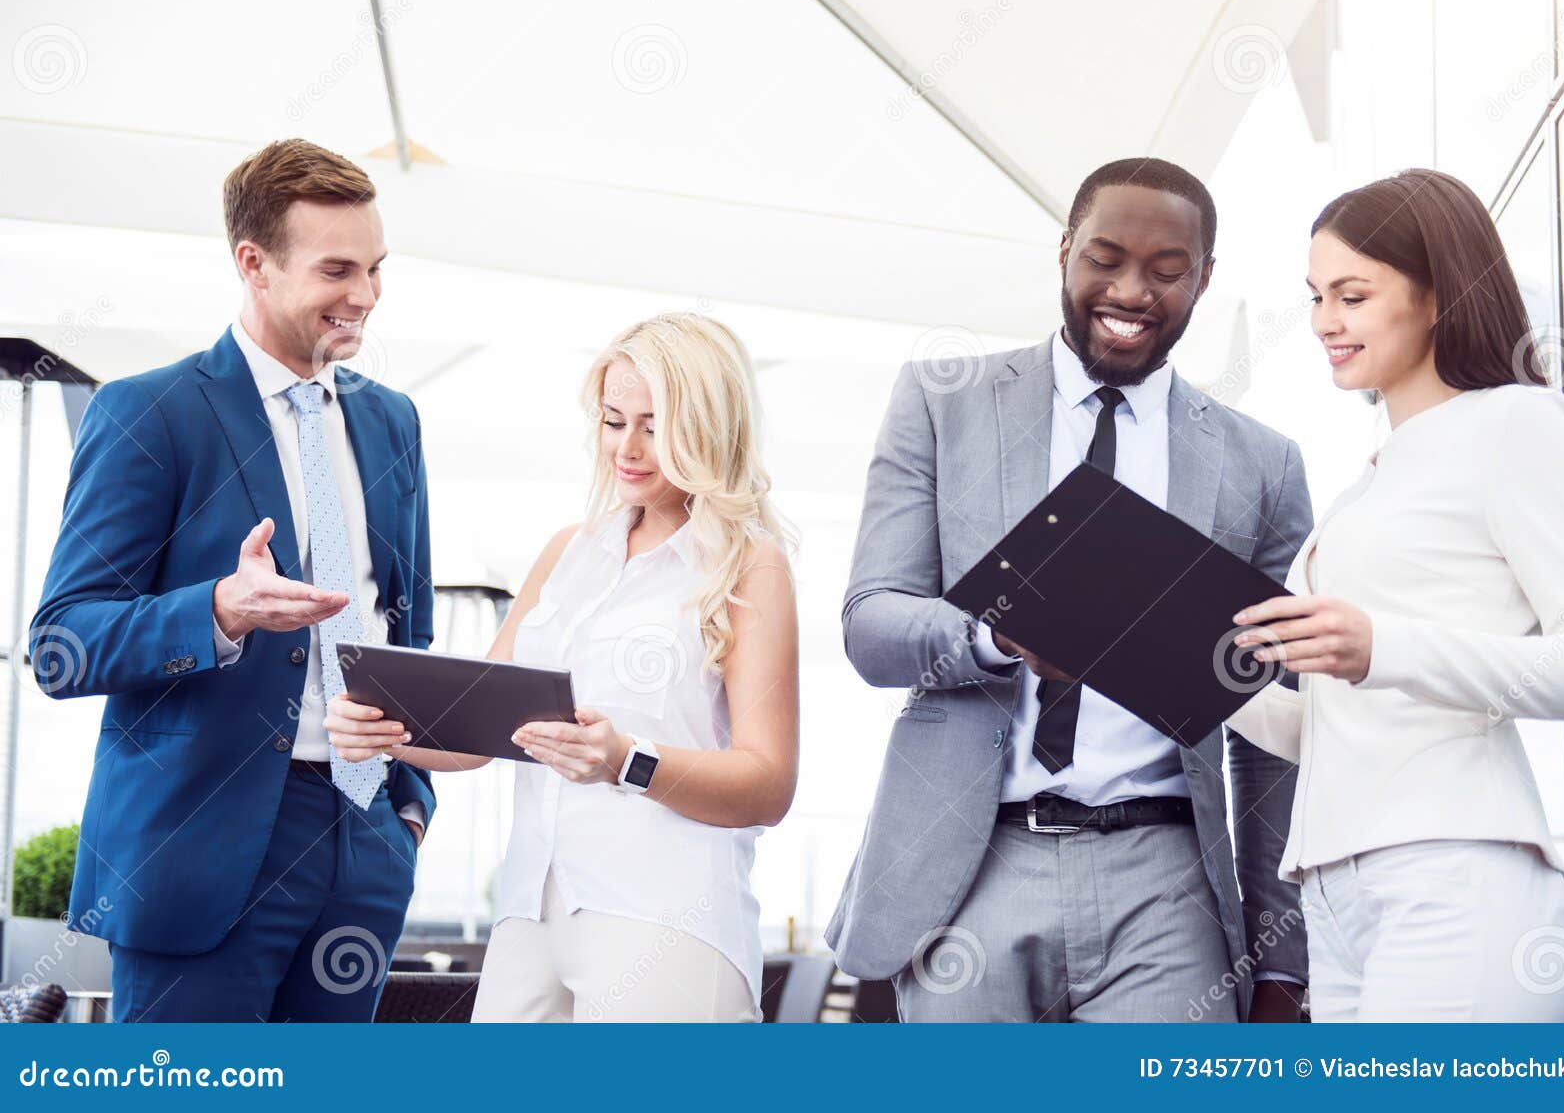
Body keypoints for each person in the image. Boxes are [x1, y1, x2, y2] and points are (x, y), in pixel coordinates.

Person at [828, 158, 1310, 1022]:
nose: (1130, 292)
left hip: (1167, 883)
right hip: (972, 866)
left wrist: (1283, 961)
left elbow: (1272, 727)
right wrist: (994, 637)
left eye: (1167, 271)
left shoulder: (1262, 464)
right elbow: (871, 626)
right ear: (1064, 252)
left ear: (1204, 279)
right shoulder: (944, 404)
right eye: (1105, 259)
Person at [29, 139, 436, 1021]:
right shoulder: (150, 411)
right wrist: (218, 610)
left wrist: (407, 811)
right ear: (254, 263)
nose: (366, 295)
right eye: (337, 270)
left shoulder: (393, 423)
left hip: (364, 838)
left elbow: (410, 633)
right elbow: (61, 644)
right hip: (201, 848)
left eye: (375, 268)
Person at [326, 313, 799, 1022]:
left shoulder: (748, 564)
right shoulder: (569, 552)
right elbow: (475, 729)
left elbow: (768, 784)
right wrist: (383, 728)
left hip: (665, 916)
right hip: (531, 910)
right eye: (614, 421)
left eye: (654, 427)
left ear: (707, 429)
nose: (627, 448)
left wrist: (625, 760)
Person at [1225, 168, 1564, 1021]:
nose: (1324, 321)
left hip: (1453, 877)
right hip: (1335, 896)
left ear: (1436, 295)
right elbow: (1331, 726)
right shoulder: (1368, 483)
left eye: (1352, 295)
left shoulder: (1517, 423)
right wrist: (1162, 667)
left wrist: (1381, 648)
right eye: (1316, 296)